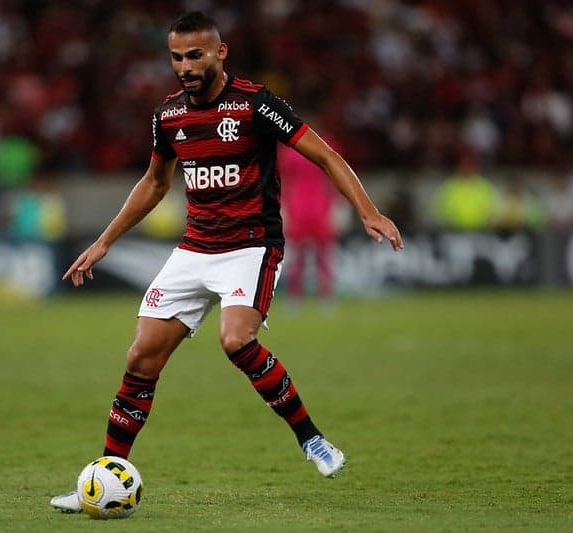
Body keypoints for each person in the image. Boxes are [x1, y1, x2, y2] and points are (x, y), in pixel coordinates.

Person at [51, 12, 403, 512]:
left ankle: (312, 439)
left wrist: (368, 212)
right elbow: (155, 183)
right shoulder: (168, 114)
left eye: (195, 55)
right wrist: (105, 241)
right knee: (140, 358)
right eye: (176, 57)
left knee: (235, 339)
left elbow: (324, 155)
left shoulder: (256, 104)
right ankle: (103, 479)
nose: (185, 66)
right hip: (195, 248)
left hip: (252, 246)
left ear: (220, 52)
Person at [277, 133, 342, 306]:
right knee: (297, 255)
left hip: (318, 205)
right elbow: (282, 179)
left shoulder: (327, 144)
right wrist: (283, 206)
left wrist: (336, 204)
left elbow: (335, 176)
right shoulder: (288, 149)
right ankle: (295, 294)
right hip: (299, 206)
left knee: (323, 253)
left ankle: (325, 294)